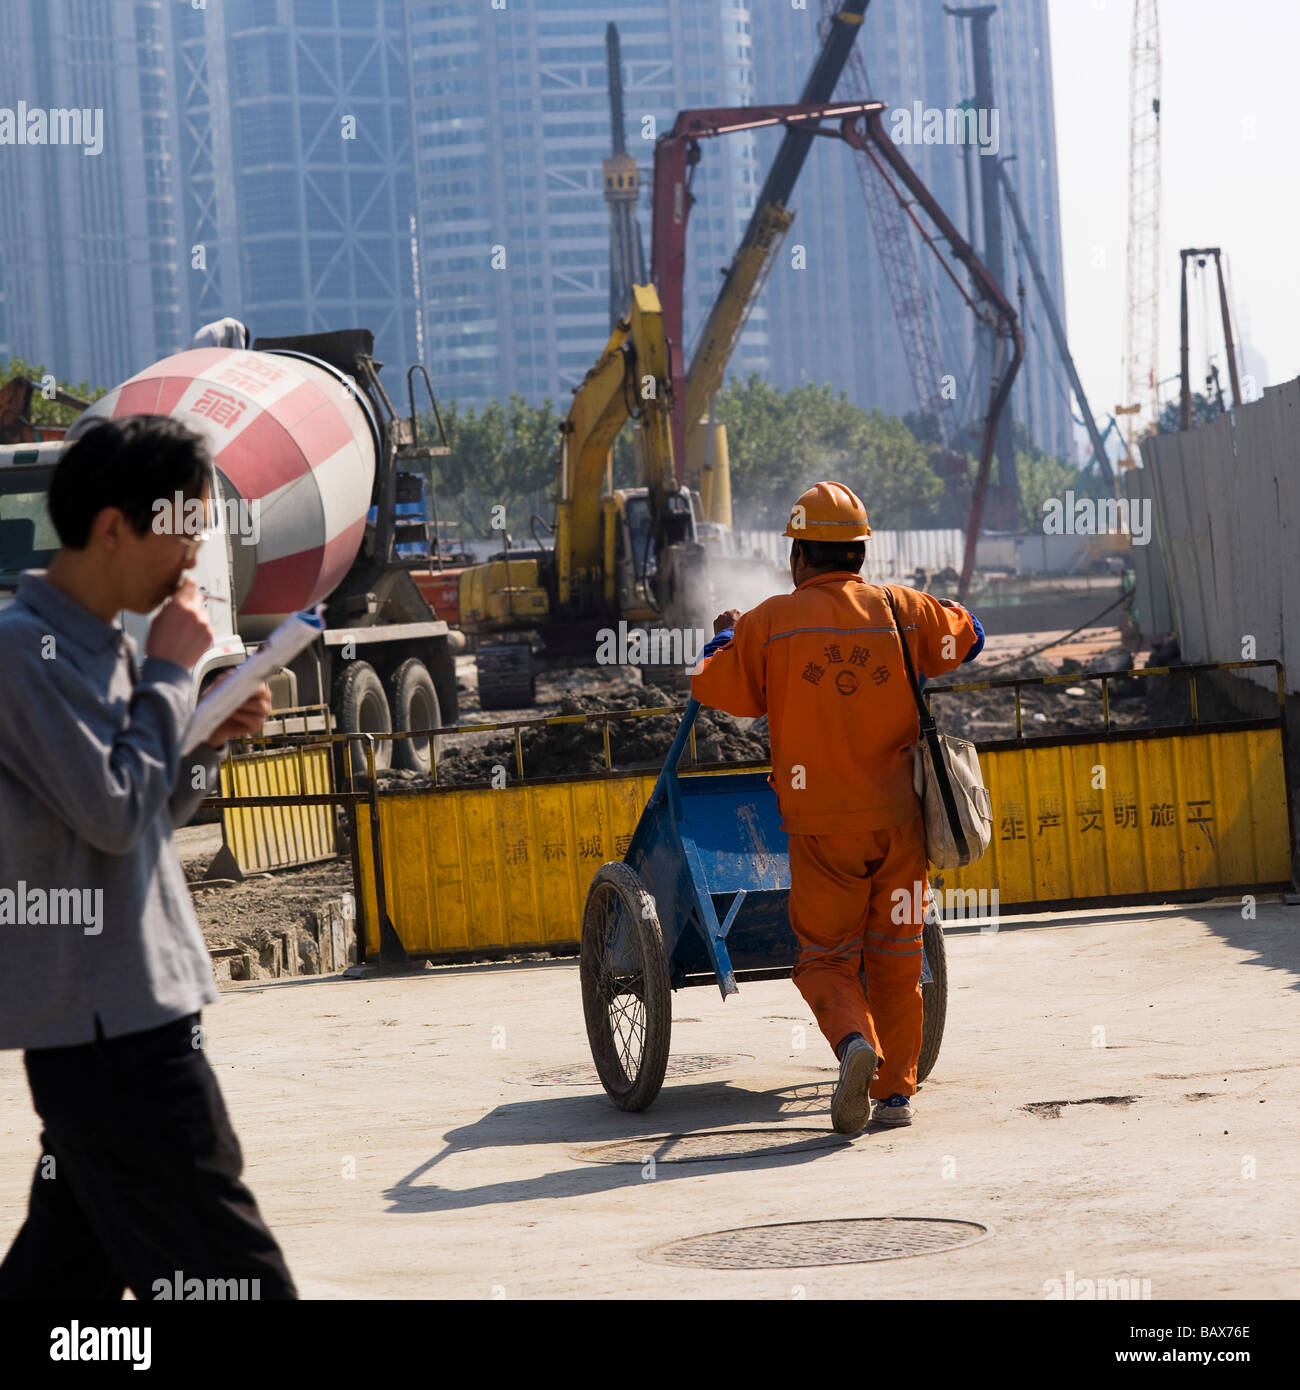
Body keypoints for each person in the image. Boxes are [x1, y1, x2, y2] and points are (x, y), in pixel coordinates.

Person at [0, 414, 297, 1299]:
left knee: (65, 1282)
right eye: (184, 535)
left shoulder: (108, 644)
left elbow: (150, 811)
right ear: (112, 527)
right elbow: (115, 812)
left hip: (124, 1016)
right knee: (232, 1276)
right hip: (109, 1034)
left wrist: (204, 737)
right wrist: (173, 676)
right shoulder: (24, 654)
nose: (192, 561)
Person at [691, 481, 984, 1137]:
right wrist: (950, 611)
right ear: (860, 554)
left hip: (823, 831)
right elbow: (970, 638)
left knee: (825, 957)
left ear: (799, 555)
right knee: (897, 958)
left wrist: (723, 640)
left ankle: (854, 1043)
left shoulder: (770, 623)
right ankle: (897, 1095)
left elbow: (716, 685)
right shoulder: (901, 609)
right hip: (902, 827)